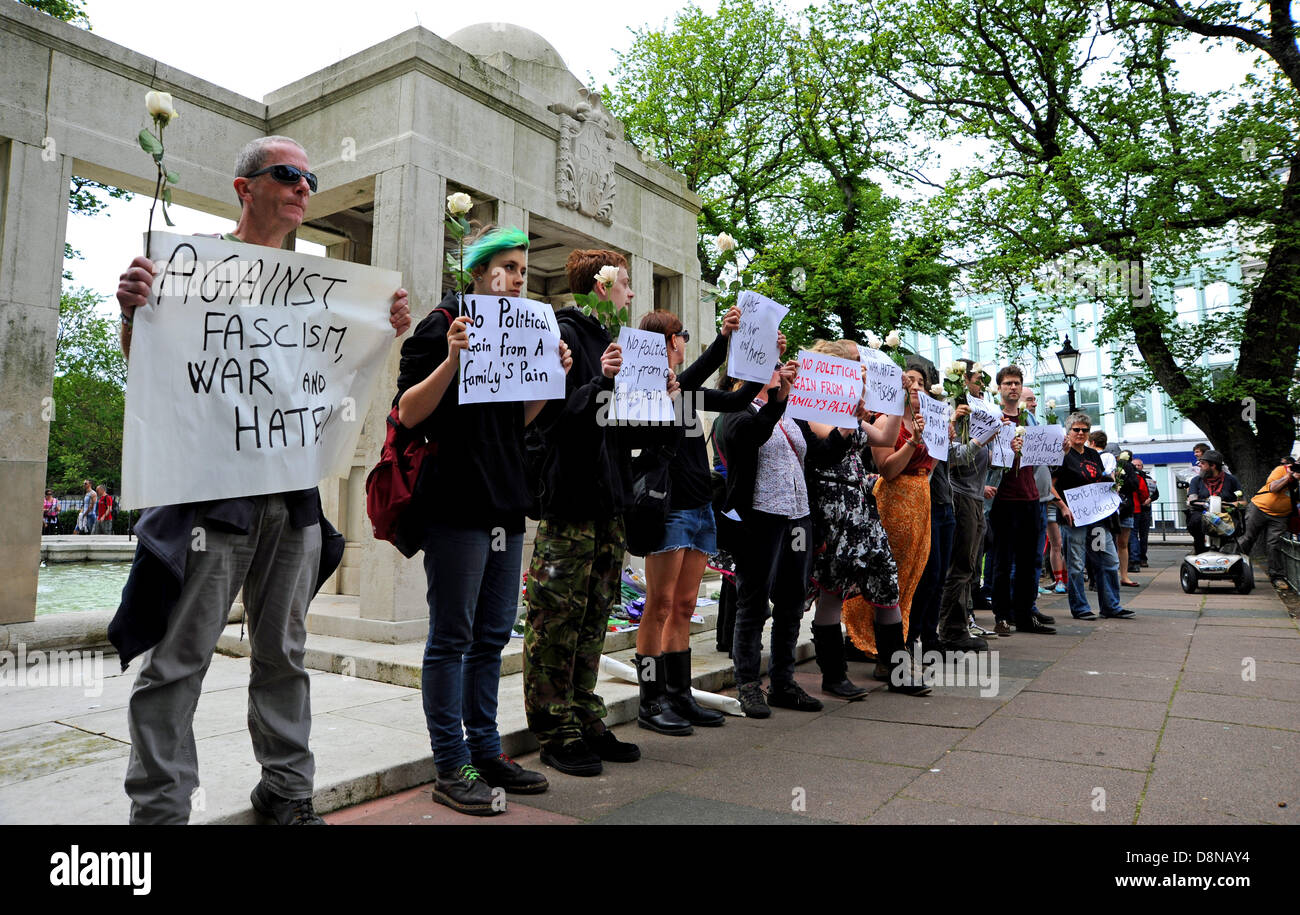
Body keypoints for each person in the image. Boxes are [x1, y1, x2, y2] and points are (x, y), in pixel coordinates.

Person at [111, 135, 412, 825]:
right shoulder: (188, 266)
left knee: (286, 654)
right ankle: (158, 814)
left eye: (310, 177)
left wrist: (381, 329)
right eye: (287, 174)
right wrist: (134, 314)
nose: (304, 186)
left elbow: (335, 375)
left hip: (294, 502)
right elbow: (152, 372)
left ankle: (287, 790)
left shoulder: (322, 294)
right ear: (244, 188)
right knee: (178, 662)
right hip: (211, 502)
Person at [395, 224, 571, 815]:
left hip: (505, 503)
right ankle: (450, 764)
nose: (519, 279)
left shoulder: (521, 330)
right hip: (454, 504)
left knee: (494, 635)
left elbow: (513, 423)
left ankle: (486, 750)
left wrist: (554, 378)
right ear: (477, 272)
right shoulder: (443, 323)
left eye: (523, 270)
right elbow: (408, 412)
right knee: (452, 636)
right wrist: (451, 357)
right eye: (508, 268)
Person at [523, 249, 662, 776]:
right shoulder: (557, 334)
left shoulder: (620, 344)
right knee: (556, 619)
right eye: (625, 284)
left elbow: (621, 430)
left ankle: (584, 715)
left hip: (609, 500)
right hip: (570, 501)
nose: (631, 295)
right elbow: (551, 421)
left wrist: (658, 401)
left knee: (593, 618)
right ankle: (554, 729)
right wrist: (600, 382)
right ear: (602, 287)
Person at [634, 304, 760, 731]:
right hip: (669, 511)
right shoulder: (647, 390)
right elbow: (700, 370)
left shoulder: (684, 391)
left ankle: (679, 696)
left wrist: (769, 374)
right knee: (660, 604)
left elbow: (738, 398)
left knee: (685, 605)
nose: (686, 341)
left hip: (700, 508)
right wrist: (725, 337)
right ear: (670, 341)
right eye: (683, 334)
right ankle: (650, 703)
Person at [713, 358, 857, 717]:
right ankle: (747, 684)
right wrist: (777, 403)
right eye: (774, 364)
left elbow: (819, 457)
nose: (782, 368)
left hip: (797, 517)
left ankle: (783, 682)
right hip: (760, 517)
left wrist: (844, 429)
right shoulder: (734, 410)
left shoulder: (790, 411)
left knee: (792, 600)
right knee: (754, 602)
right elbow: (750, 436)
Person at [800, 340, 920, 698]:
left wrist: (895, 399)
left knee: (886, 582)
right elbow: (827, 442)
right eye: (853, 366)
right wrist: (855, 410)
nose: (861, 370)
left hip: (859, 506)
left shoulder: (850, 410)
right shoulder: (814, 408)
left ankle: (897, 670)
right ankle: (833, 676)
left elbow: (884, 435)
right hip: (832, 506)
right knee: (833, 590)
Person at [843, 364, 937, 670]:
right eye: (910, 383)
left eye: (921, 383)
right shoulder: (885, 420)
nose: (916, 387)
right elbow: (888, 469)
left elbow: (928, 469)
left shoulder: (928, 421)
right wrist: (913, 442)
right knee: (888, 577)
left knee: (912, 575)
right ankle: (880, 650)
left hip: (921, 500)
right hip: (894, 501)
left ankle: (901, 643)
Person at [987, 366, 1054, 634]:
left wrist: (1055, 450)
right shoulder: (995, 419)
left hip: (1030, 496)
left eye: (1017, 383)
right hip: (1004, 497)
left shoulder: (1030, 420)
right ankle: (1002, 615)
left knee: (1029, 561)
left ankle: (1026, 614)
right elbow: (985, 457)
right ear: (1000, 388)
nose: (1013, 388)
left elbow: (1042, 458)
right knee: (1003, 560)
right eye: (1007, 383)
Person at [1052, 412, 1134, 621]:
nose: (1080, 433)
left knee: (1107, 560)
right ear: (1068, 431)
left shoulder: (1093, 454)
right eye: (1076, 429)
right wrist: (1062, 507)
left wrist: (1110, 487)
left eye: (1084, 430)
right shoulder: (1061, 454)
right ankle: (1080, 607)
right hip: (1074, 520)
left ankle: (1111, 606)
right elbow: (1049, 486)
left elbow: (1097, 479)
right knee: (1077, 564)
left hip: (1097, 519)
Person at [939, 359, 995, 652]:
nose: (982, 385)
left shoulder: (982, 411)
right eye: (978, 379)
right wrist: (978, 439)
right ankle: (950, 630)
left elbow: (989, 457)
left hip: (975, 495)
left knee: (970, 566)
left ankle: (959, 625)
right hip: (959, 495)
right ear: (962, 381)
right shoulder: (952, 411)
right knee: (960, 566)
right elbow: (953, 457)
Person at [1235, 456, 1300, 591]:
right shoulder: (1281, 470)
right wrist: (1289, 476)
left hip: (1281, 516)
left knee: (1274, 544)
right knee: (1247, 538)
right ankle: (1235, 568)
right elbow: (1274, 488)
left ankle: (1277, 576)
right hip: (1259, 508)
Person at [1186, 451, 1242, 555]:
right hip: (1202, 514)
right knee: (1197, 521)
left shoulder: (1231, 480)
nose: (1199, 466)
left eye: (1202, 463)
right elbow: (1192, 500)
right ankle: (1200, 553)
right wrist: (1208, 503)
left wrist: (1229, 504)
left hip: (1225, 514)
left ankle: (1225, 552)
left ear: (1213, 465)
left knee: (1232, 525)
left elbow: (1242, 502)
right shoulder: (1196, 480)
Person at [1128, 458, 1156, 569]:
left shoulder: (1147, 478)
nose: (1137, 467)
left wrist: (1150, 499)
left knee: (1140, 535)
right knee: (1133, 535)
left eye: (1139, 465)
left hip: (1142, 510)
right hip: (1136, 509)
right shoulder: (1138, 477)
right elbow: (1143, 492)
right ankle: (1135, 559)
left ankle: (1140, 558)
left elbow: (1155, 493)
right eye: (1135, 465)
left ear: (1142, 466)